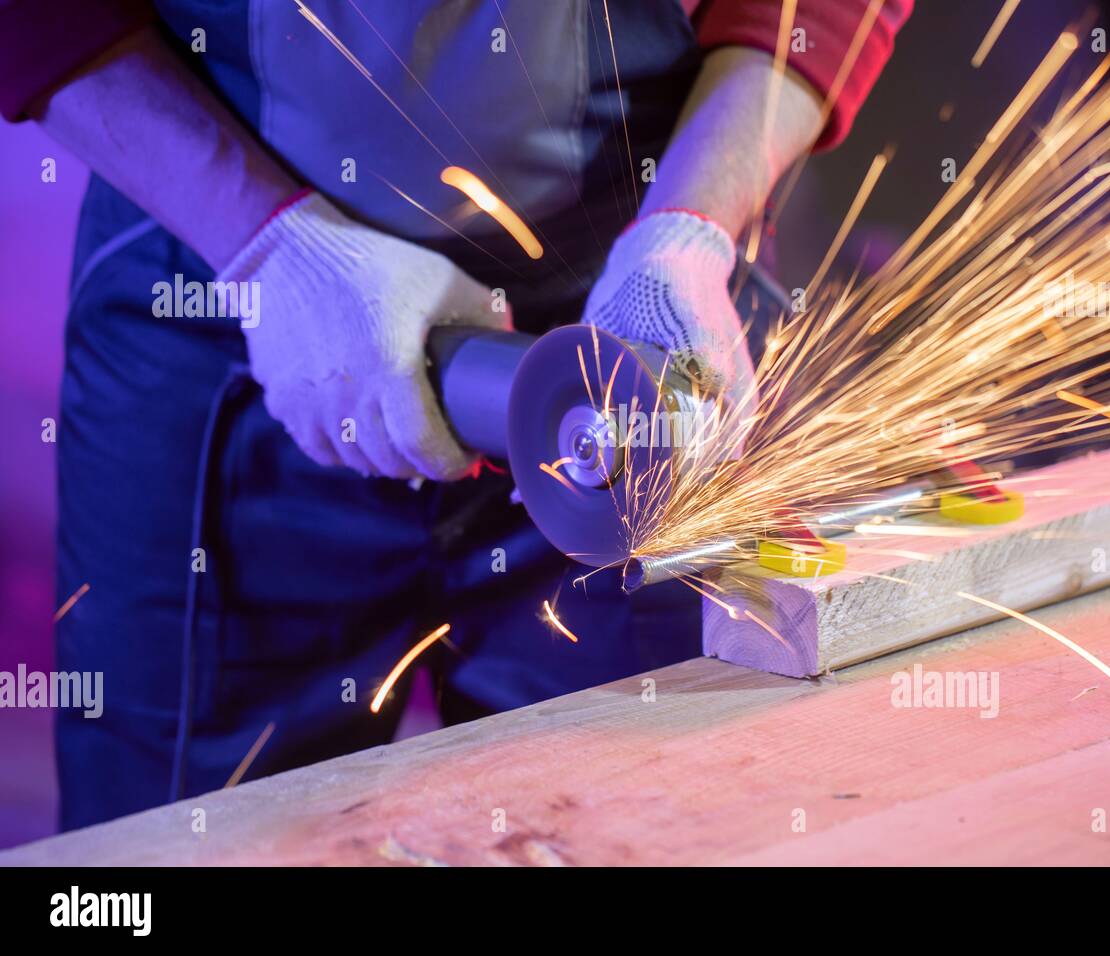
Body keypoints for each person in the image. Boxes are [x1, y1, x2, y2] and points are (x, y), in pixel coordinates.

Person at [0, 0, 911, 828]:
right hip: (221, 295)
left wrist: (690, 227)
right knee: (178, 850)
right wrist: (271, 249)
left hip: (625, 315)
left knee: (649, 826)